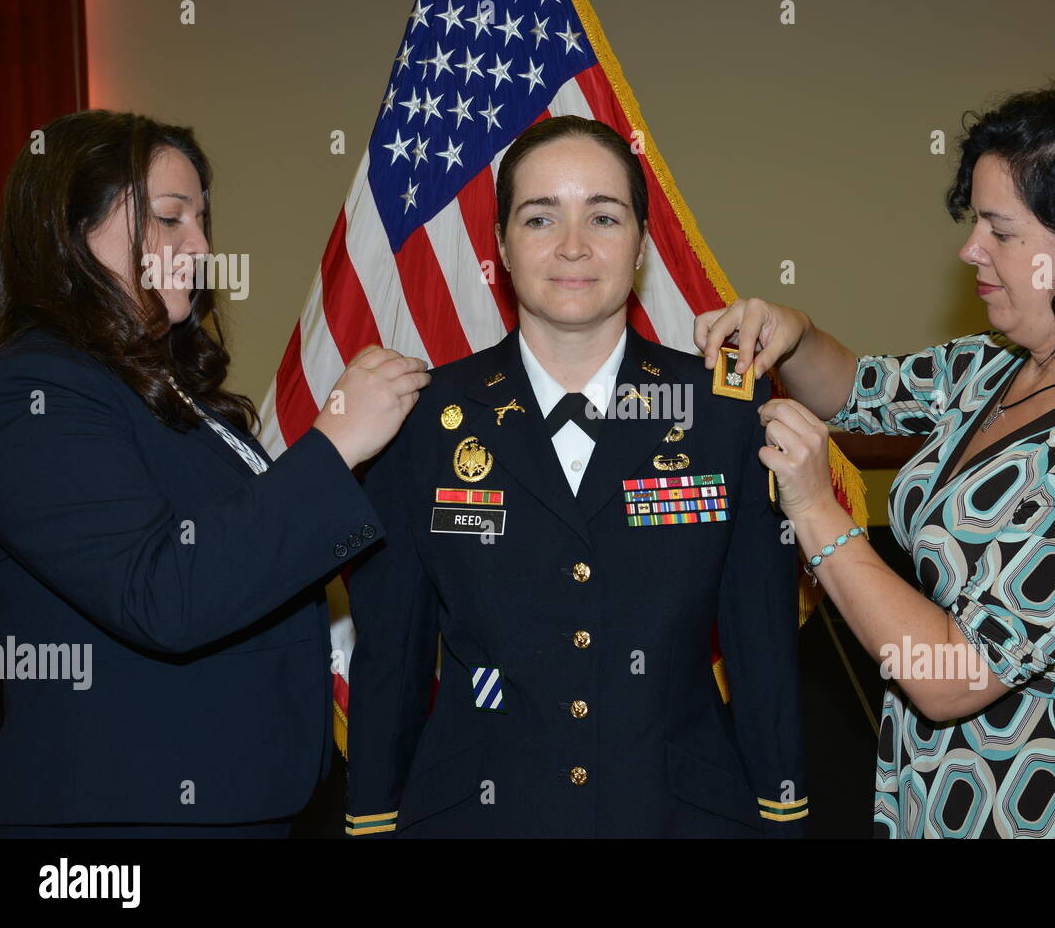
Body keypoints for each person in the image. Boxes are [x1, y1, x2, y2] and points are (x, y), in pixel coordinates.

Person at [697, 81, 1055, 838]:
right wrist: (794, 331)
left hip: (1044, 804)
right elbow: (853, 390)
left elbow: (950, 678)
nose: (969, 249)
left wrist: (816, 512)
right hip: (936, 788)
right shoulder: (1002, 368)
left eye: (1000, 231)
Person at [344, 116, 806, 838]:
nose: (573, 246)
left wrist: (783, 816)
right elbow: (391, 661)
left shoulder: (724, 412)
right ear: (500, 244)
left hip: (679, 814)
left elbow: (764, 649)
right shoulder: (420, 419)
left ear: (643, 244)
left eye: (604, 216)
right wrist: (372, 819)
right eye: (539, 217)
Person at [0, 110, 429, 836]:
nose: (198, 245)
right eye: (169, 219)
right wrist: (333, 445)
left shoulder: (176, 392)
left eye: (202, 219)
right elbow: (162, 592)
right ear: (69, 233)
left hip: (249, 806)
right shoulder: (30, 392)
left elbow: (244, 562)